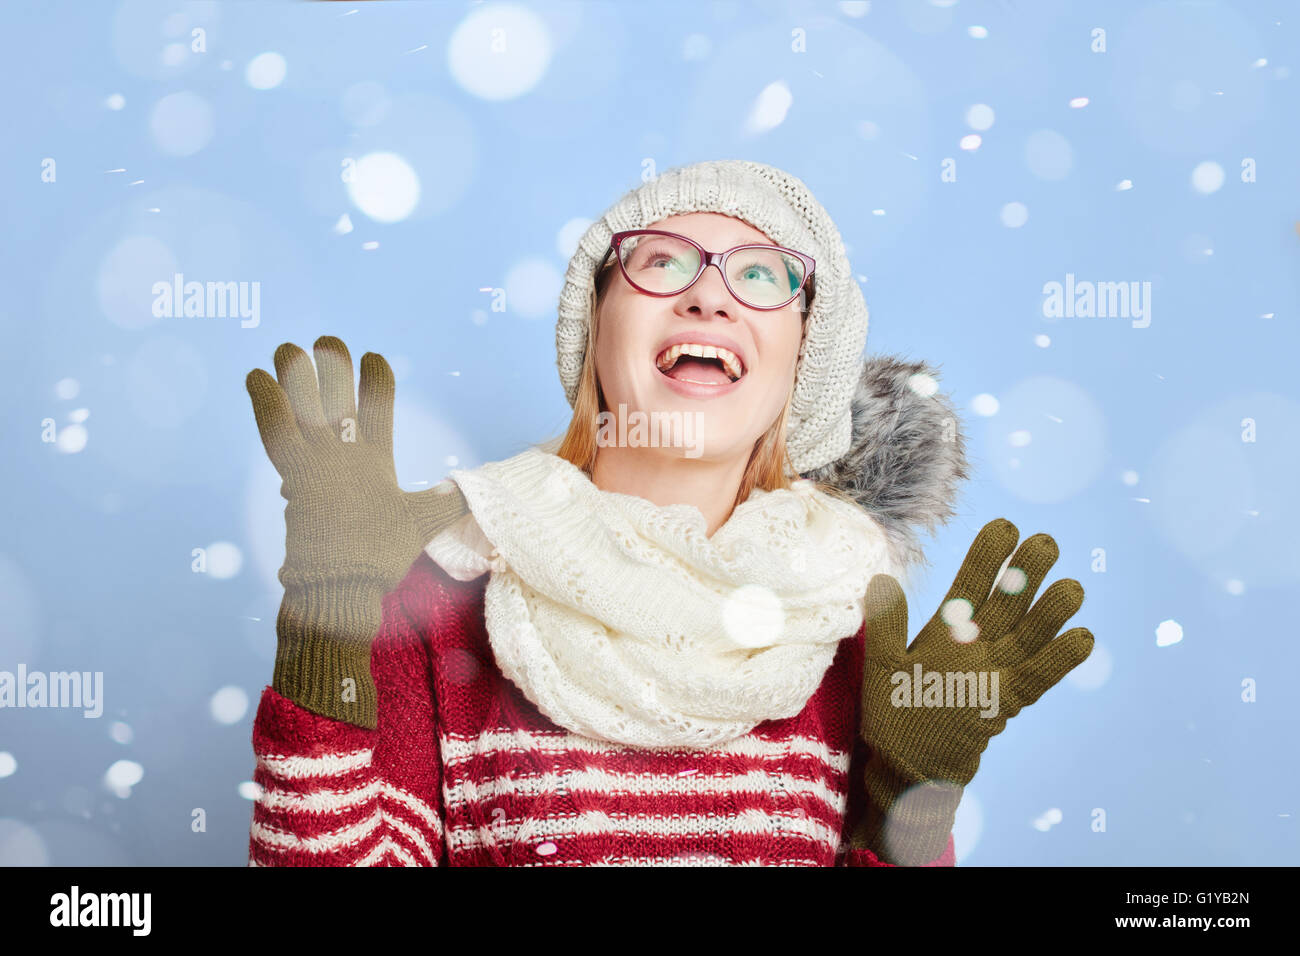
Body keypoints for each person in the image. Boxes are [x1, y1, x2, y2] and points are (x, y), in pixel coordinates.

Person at [244, 159, 1093, 866]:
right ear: (596, 324)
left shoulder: (849, 622)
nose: (711, 298)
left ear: (805, 363)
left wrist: (912, 797)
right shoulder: (442, 594)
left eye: (762, 275)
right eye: (661, 263)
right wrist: (327, 617)